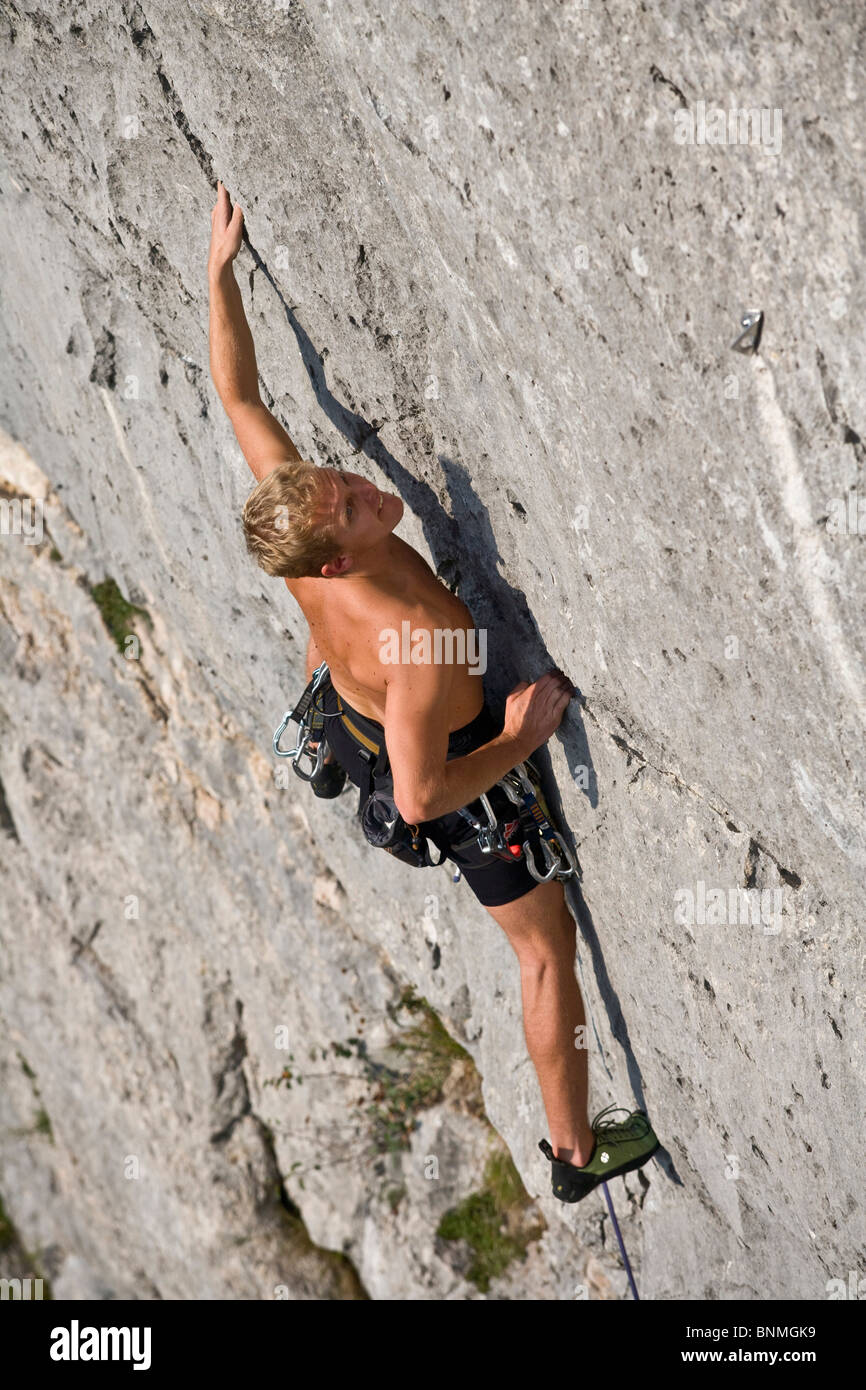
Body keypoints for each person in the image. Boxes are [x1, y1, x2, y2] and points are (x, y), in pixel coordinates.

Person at [207, 182, 659, 1203]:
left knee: (367, 722)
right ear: (330, 565)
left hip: (369, 717)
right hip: (447, 780)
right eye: (359, 510)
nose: (374, 495)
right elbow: (421, 799)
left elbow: (241, 398)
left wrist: (219, 272)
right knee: (546, 956)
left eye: (346, 482)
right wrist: (518, 729)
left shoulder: (297, 522)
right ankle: (574, 1154)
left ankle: (330, 737)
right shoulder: (417, 648)